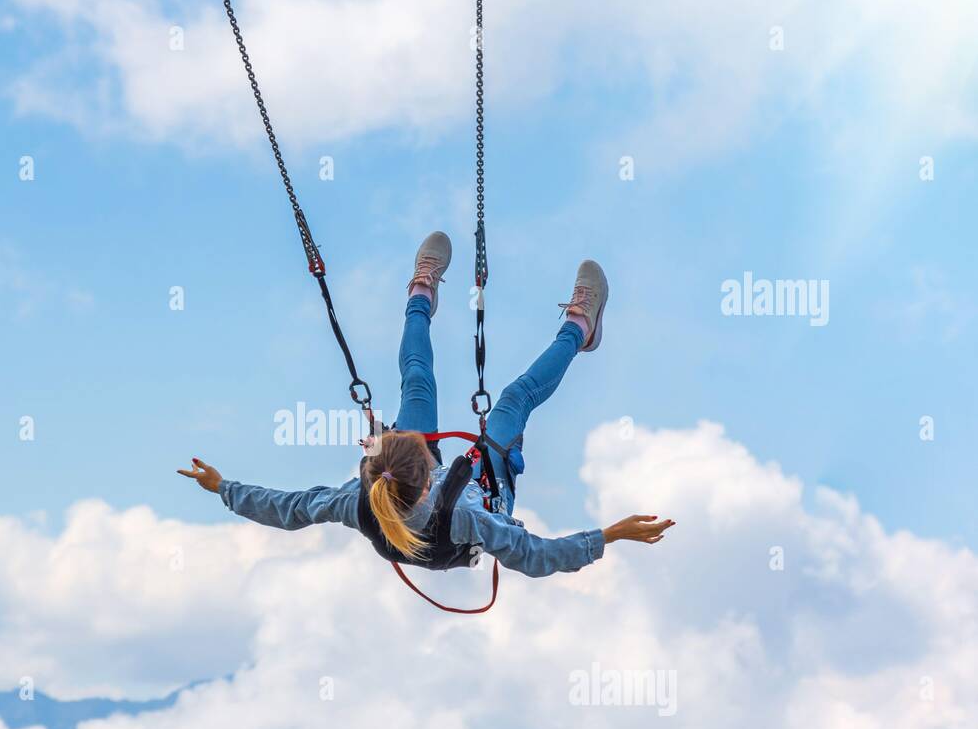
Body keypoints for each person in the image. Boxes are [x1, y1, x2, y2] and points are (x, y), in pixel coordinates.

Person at [178, 232, 674, 580]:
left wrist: (223, 487)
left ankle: (421, 291)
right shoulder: (468, 521)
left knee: (417, 382)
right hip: (482, 492)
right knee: (514, 399)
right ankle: (580, 328)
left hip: (420, 495)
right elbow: (536, 556)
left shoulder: (355, 499)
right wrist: (607, 536)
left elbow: (288, 509)